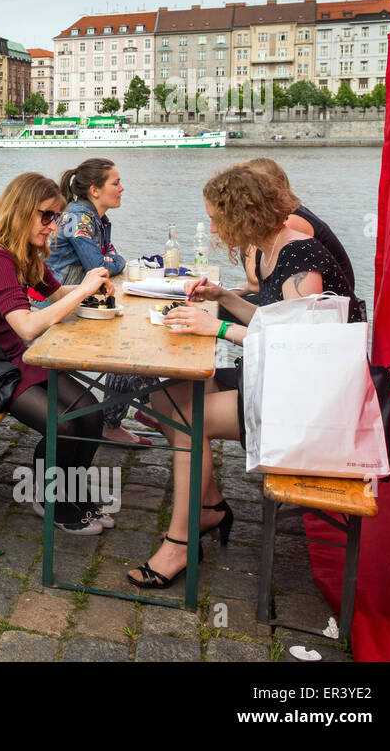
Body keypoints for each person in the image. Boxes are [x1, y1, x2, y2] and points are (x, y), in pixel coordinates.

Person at [132, 164, 360, 589]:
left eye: (217, 218)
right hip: (282, 380)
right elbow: (273, 319)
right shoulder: (275, 246)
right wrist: (224, 297)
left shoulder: (301, 256)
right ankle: (210, 505)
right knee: (166, 399)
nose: (214, 227)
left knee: (188, 420)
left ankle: (180, 542)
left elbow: (298, 343)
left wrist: (216, 327)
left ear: (241, 213)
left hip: (314, 404)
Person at [0, 172, 117, 535]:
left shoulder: (22, 253)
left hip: (8, 356)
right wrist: (81, 291)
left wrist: (94, 287)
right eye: (47, 216)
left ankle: (69, 492)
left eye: (57, 218)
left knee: (92, 413)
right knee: (64, 425)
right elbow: (26, 326)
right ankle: (51, 498)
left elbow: (55, 295)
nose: (53, 226)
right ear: (21, 211)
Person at [46, 158, 149, 447]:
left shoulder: (98, 219)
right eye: (115, 183)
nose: (122, 188)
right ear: (94, 190)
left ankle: (149, 408)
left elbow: (111, 260)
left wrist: (112, 262)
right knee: (126, 346)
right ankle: (122, 419)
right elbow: (99, 264)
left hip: (78, 303)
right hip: (54, 309)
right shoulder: (79, 218)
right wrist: (112, 262)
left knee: (138, 334)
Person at [240, 157, 355, 293]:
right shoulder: (290, 212)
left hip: (327, 306)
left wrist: (248, 228)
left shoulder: (291, 222)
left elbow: (256, 282)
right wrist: (229, 291)